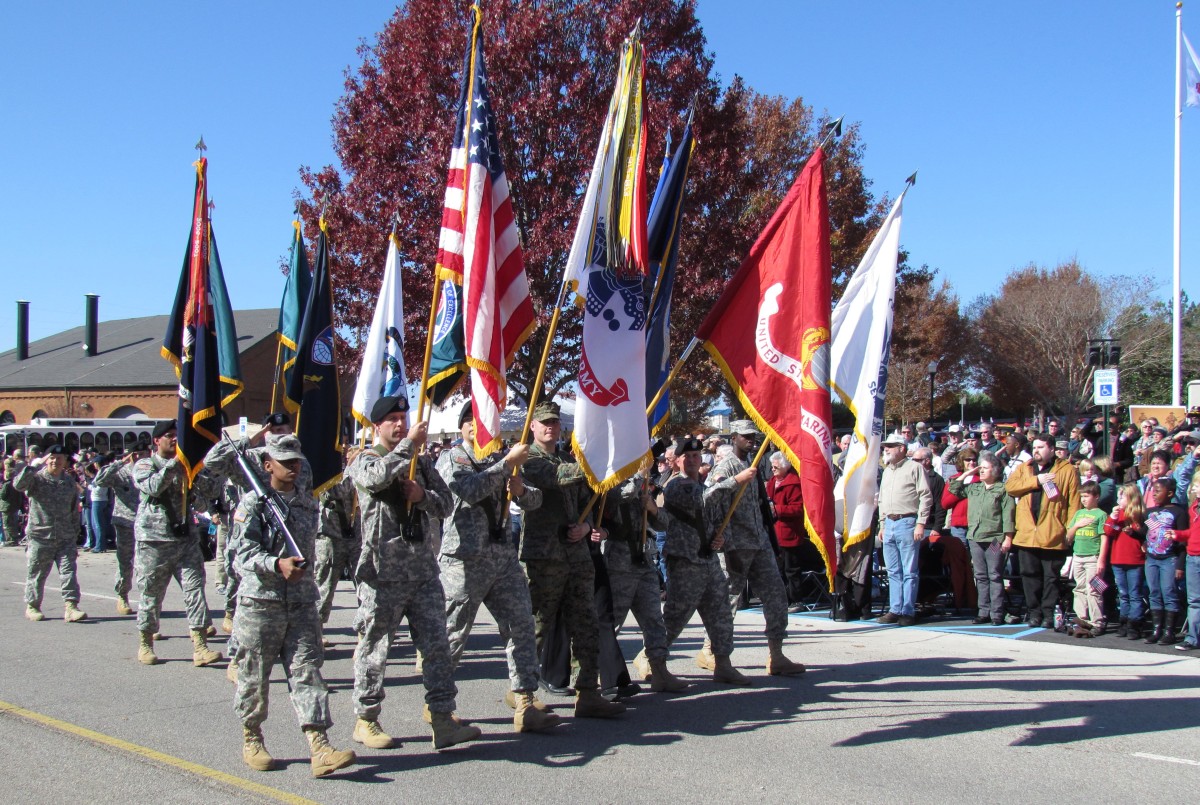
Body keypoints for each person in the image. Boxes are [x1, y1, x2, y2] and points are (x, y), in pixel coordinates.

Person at [348, 394, 479, 751]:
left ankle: (441, 718)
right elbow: (375, 480)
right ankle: (367, 719)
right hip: (383, 574)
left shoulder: (418, 464)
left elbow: (446, 504)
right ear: (377, 426)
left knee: (437, 647)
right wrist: (409, 446)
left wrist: (421, 495)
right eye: (391, 419)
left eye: (402, 418)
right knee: (375, 648)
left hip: (422, 571)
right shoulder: (365, 459)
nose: (399, 424)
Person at [230, 434, 355, 778]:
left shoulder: (306, 501)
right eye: (285, 461)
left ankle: (320, 746)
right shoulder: (252, 504)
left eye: (296, 460)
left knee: (308, 671)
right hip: (261, 602)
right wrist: (276, 564)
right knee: (254, 675)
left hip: (301, 601)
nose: (293, 466)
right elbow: (242, 554)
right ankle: (252, 738)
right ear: (267, 465)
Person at [436, 400, 562, 733]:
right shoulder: (453, 458)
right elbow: (465, 492)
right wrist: (506, 466)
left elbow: (535, 500)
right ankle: (439, 708)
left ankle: (524, 701)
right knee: (452, 636)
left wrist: (520, 489)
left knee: (521, 625)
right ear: (463, 427)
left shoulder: (500, 459)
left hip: (503, 559)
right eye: (472, 423)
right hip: (464, 560)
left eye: (483, 422)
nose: (478, 429)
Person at [518, 401, 625, 718]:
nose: (551, 427)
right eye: (544, 422)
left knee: (586, 624)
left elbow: (586, 501)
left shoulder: (569, 458)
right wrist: (598, 463)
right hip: (544, 556)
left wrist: (588, 525)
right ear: (533, 427)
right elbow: (555, 478)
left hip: (577, 555)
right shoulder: (527, 459)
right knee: (537, 625)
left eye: (554, 422)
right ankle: (523, 695)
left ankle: (588, 692)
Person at [704, 420, 805, 674]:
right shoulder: (726, 467)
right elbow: (712, 501)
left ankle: (776, 654)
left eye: (753, 436)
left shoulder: (755, 465)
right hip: (735, 546)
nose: (751, 440)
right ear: (734, 438)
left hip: (759, 542)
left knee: (776, 595)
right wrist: (723, 540)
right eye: (746, 436)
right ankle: (712, 652)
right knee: (727, 602)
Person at [662, 437, 751, 685]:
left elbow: (710, 516)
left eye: (696, 456)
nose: (692, 460)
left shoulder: (701, 484)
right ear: (676, 461)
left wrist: (718, 537)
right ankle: (653, 662)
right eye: (686, 457)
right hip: (686, 561)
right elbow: (702, 500)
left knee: (720, 613)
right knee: (676, 617)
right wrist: (736, 481)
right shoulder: (676, 486)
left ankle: (723, 664)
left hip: (708, 559)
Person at [132, 421, 221, 667]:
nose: (174, 440)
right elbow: (152, 486)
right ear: (156, 441)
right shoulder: (145, 465)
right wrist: (176, 466)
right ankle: (145, 642)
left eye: (176, 436)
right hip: (154, 540)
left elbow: (207, 498)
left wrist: (198, 474)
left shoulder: (187, 467)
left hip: (186, 539)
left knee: (195, 591)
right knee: (151, 593)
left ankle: (201, 645)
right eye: (169, 436)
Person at [609, 465, 688, 694]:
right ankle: (596, 675)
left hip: (643, 561)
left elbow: (663, 524)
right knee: (612, 622)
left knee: (654, 621)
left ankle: (659, 670)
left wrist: (653, 509)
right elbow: (620, 497)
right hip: (619, 562)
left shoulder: (642, 484)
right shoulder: (611, 480)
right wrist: (638, 474)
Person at [1005, 434, 1080, 627]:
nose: (1036, 451)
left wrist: (1070, 530)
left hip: (1052, 533)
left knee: (1051, 577)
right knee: (1029, 575)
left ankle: (1048, 614)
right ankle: (1034, 612)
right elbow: (1011, 488)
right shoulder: (1026, 467)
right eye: (1034, 447)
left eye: (1040, 447)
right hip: (1027, 534)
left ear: (1052, 449)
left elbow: (1074, 503)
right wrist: (1036, 481)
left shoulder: (1067, 470)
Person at [13, 444, 87, 623]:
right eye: (52, 457)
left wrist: (75, 534)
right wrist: (32, 467)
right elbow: (18, 485)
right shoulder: (36, 479)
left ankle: (71, 607)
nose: (55, 461)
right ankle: (33, 606)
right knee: (37, 573)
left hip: (65, 537)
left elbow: (73, 509)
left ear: (65, 461)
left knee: (69, 572)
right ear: (46, 460)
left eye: (59, 458)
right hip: (41, 535)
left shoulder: (68, 482)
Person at [947, 450, 1013, 625]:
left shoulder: (1002, 489)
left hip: (994, 539)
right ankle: (983, 611)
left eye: (985, 468)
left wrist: (1008, 538)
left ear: (996, 470)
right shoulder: (974, 488)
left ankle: (997, 613)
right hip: (975, 537)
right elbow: (954, 488)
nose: (981, 471)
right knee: (981, 575)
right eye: (980, 468)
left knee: (995, 575)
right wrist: (968, 473)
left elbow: (1008, 515)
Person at [876, 432, 933, 626]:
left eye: (890, 446)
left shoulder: (914, 467)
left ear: (902, 449)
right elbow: (882, 499)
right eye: (885, 446)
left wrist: (920, 523)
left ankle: (907, 611)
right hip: (889, 524)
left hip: (907, 522)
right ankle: (895, 608)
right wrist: (882, 524)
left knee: (909, 570)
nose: (886, 449)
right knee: (893, 570)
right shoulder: (887, 471)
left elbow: (925, 495)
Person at [93, 445, 149, 615]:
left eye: (142, 453)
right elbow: (99, 480)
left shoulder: (151, 470)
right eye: (135, 454)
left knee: (146, 564)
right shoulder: (122, 472)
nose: (138, 457)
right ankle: (122, 595)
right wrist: (119, 463)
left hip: (148, 524)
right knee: (125, 561)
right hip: (126, 523)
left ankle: (147, 600)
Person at [314, 450, 363, 639]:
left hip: (356, 534)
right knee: (324, 587)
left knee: (365, 585)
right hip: (331, 537)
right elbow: (334, 491)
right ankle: (315, 633)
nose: (347, 450)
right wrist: (352, 468)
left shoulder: (356, 470)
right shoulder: (326, 472)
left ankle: (364, 632)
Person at [766, 451, 820, 612]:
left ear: (784, 466)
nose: (773, 469)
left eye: (775, 466)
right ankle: (781, 599)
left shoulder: (794, 483)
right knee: (778, 569)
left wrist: (777, 509)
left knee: (791, 569)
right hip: (774, 532)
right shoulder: (771, 482)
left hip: (789, 532)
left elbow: (798, 509)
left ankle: (797, 600)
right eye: (771, 466)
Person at [1141, 477, 1189, 645]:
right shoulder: (1150, 512)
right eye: (1153, 491)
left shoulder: (1179, 512)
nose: (1154, 494)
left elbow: (1183, 541)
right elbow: (1146, 532)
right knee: (1154, 592)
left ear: (1169, 493)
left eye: (1158, 491)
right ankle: (1156, 629)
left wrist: (1180, 565)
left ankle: (1169, 631)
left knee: (1169, 592)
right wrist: (1142, 541)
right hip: (1152, 559)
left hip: (1169, 558)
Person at [1104, 483, 1148, 639]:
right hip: (1118, 559)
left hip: (1135, 560)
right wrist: (1114, 517)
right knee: (1123, 593)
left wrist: (1133, 531)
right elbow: (1108, 531)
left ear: (1131, 498)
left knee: (1135, 593)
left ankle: (1134, 624)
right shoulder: (1119, 514)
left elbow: (1144, 533)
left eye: (1121, 496)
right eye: (1118, 496)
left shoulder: (1141, 515)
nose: (1118, 500)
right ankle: (1123, 622)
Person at [1064, 481, 1107, 636]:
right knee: (1079, 588)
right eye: (1081, 496)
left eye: (1086, 496)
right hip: (1078, 556)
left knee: (1094, 590)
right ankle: (1081, 619)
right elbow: (1068, 537)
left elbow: (1104, 538)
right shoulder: (1078, 514)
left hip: (1092, 557)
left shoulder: (1101, 515)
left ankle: (1097, 621)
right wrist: (1077, 525)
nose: (1083, 500)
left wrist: (1101, 559)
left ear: (1096, 497)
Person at [1176, 472, 1200, 651]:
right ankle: (1193, 638)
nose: (1194, 488)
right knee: (1194, 600)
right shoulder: (1194, 508)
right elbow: (1192, 533)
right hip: (1192, 557)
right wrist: (1177, 534)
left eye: (1198, 485)